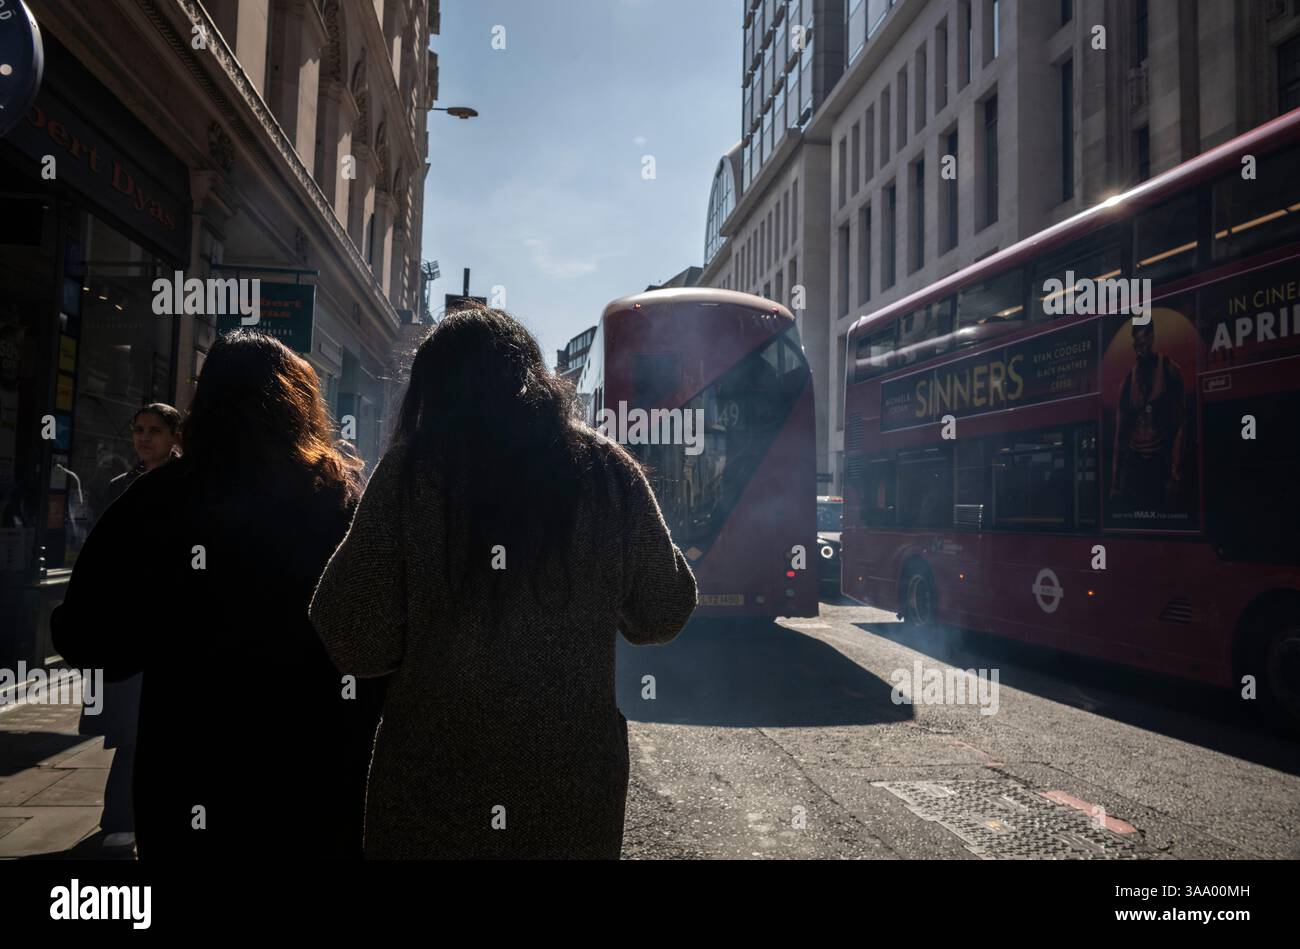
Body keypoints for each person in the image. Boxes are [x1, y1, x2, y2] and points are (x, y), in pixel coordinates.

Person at [309, 305, 698, 859]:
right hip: (569, 782)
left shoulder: (411, 472)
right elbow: (663, 610)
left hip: (433, 780)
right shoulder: (609, 470)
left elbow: (348, 628)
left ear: (431, 386)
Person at [51, 331, 382, 860]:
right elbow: (379, 637)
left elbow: (90, 638)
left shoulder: (158, 499)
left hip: (192, 773)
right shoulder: (342, 502)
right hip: (316, 776)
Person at [79, 402, 181, 855]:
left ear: (174, 436)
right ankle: (121, 818)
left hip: (169, 620)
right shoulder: (120, 487)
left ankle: (134, 816)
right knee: (132, 729)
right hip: (130, 620)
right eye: (138, 430)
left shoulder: (189, 484)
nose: (143, 439)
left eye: (154, 431)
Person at [1110, 321, 1186, 512]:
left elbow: (1181, 425)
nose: (1139, 352)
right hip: (1135, 465)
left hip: (1161, 461)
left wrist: (1175, 473)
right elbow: (1119, 438)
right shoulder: (1127, 383)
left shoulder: (1170, 370)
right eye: (1136, 346)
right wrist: (1115, 484)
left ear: (1152, 338)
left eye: (1143, 345)